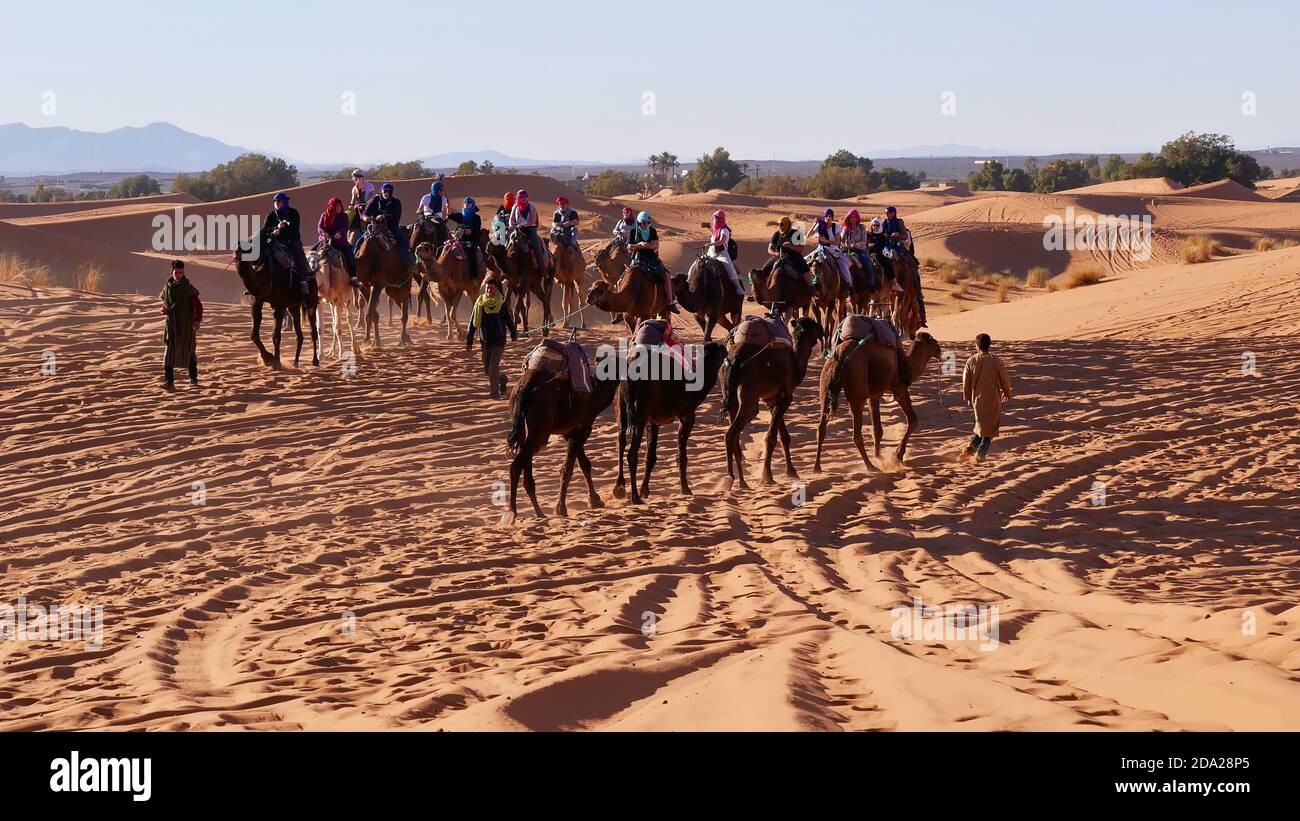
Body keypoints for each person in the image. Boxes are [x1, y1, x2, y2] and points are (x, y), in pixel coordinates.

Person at [961, 333, 1013, 463]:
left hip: (977, 400)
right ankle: (980, 454)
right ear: (989, 345)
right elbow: (1004, 378)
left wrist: (967, 397)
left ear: (977, 346)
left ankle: (969, 451)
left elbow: (965, 381)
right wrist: (1006, 392)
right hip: (993, 399)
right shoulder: (995, 360)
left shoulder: (971, 360)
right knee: (988, 429)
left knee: (981, 427)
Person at [466, 277, 517, 399]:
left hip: (499, 340)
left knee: (493, 367)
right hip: (485, 341)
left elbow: (509, 320)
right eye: (487, 288)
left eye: (491, 288)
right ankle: (502, 378)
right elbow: (473, 322)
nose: (489, 290)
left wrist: (513, 333)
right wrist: (469, 340)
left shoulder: (501, 303)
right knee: (487, 371)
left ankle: (494, 394)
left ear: (496, 289)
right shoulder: (479, 304)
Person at [880, 206, 927, 326]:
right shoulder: (884, 222)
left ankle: (916, 286)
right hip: (887, 245)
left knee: (911, 261)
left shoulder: (899, 222)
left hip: (898, 245)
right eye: (886, 213)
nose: (888, 214)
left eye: (890, 212)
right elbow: (881, 233)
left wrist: (897, 235)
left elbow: (905, 236)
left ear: (894, 213)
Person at [159, 260, 201, 389]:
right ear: (172, 272)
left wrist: (197, 320)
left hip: (186, 325)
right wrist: (164, 309)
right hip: (171, 324)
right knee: (169, 353)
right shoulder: (167, 287)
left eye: (181, 272)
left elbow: (198, 306)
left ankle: (193, 381)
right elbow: (166, 303)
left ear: (184, 272)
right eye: (176, 272)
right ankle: (169, 381)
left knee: (189, 352)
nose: (178, 275)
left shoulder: (188, 288)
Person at [261, 192, 312, 294]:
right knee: (262, 255)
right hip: (276, 243)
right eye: (275, 201)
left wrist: (283, 228)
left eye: (279, 201)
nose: (276, 203)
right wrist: (275, 229)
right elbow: (264, 230)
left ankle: (303, 282)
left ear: (284, 202)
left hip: (291, 242)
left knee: (300, 257)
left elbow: (295, 229)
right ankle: (258, 284)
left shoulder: (293, 213)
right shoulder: (271, 215)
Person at [629, 210, 675, 313]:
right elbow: (629, 247)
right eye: (644, 223)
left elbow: (655, 245)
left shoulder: (653, 231)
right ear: (639, 222)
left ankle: (670, 302)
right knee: (621, 280)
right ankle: (621, 309)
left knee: (666, 275)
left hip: (652, 258)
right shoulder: (633, 232)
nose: (646, 225)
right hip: (637, 258)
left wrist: (646, 245)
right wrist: (639, 245)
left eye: (648, 222)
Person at [362, 182, 413, 268]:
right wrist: (365, 218)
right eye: (385, 191)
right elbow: (365, 213)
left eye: (389, 191)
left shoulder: (396, 202)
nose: (387, 193)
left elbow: (397, 216)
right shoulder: (374, 200)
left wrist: (383, 216)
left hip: (391, 226)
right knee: (360, 240)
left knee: (401, 239)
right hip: (375, 227)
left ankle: (407, 262)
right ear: (381, 191)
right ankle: (357, 261)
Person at [701, 209, 745, 296]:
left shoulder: (725, 230)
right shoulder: (716, 229)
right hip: (711, 253)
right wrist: (709, 228)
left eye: (715, 219)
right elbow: (715, 233)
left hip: (721, 253)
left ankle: (738, 287)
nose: (713, 220)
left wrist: (710, 244)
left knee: (729, 268)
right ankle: (689, 281)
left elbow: (722, 241)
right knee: (697, 264)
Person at [317, 197, 359, 287]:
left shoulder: (343, 216)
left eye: (340, 206)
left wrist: (339, 233)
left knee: (350, 257)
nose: (339, 208)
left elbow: (345, 226)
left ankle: (353, 277)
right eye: (337, 206)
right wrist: (323, 233)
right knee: (312, 254)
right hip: (325, 241)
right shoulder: (324, 216)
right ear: (331, 207)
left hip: (340, 242)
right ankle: (311, 278)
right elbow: (320, 227)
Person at [807, 207, 852, 290]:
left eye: (830, 216)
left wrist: (826, 240)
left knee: (843, 265)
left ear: (832, 217)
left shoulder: (836, 227)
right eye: (827, 216)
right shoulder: (820, 226)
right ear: (825, 217)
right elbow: (808, 236)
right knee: (805, 261)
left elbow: (837, 242)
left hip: (833, 250)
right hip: (820, 249)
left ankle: (849, 286)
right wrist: (814, 224)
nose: (828, 218)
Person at [508, 189, 549, 272]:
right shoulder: (515, 207)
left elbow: (533, 220)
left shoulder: (531, 207)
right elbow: (511, 219)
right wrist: (511, 225)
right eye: (522, 197)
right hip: (518, 230)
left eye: (526, 196)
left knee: (536, 246)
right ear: (518, 198)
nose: (524, 198)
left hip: (530, 229)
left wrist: (523, 224)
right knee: (508, 244)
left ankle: (542, 269)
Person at [761, 215, 808, 282]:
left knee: (806, 272)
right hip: (778, 257)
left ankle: (810, 288)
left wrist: (791, 246)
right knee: (763, 271)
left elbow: (801, 249)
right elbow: (770, 249)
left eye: (782, 224)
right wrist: (776, 253)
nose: (780, 226)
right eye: (779, 224)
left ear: (788, 224)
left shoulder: (796, 234)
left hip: (794, 257)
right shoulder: (776, 235)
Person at [841, 209, 878, 293]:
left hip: (860, 250)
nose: (853, 219)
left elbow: (864, 241)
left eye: (854, 217)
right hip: (848, 251)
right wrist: (849, 246)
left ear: (857, 218)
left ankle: (871, 284)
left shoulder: (862, 227)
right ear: (848, 219)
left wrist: (856, 245)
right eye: (851, 217)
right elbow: (841, 243)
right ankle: (845, 286)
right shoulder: (845, 229)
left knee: (868, 262)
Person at [459, 196, 483, 278]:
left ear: (472, 205)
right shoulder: (462, 216)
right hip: (460, 240)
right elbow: (459, 227)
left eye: (468, 203)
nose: (466, 204)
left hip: (471, 240)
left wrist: (470, 231)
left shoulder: (476, 218)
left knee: (472, 250)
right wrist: (458, 232)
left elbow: (477, 230)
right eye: (465, 203)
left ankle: (473, 276)